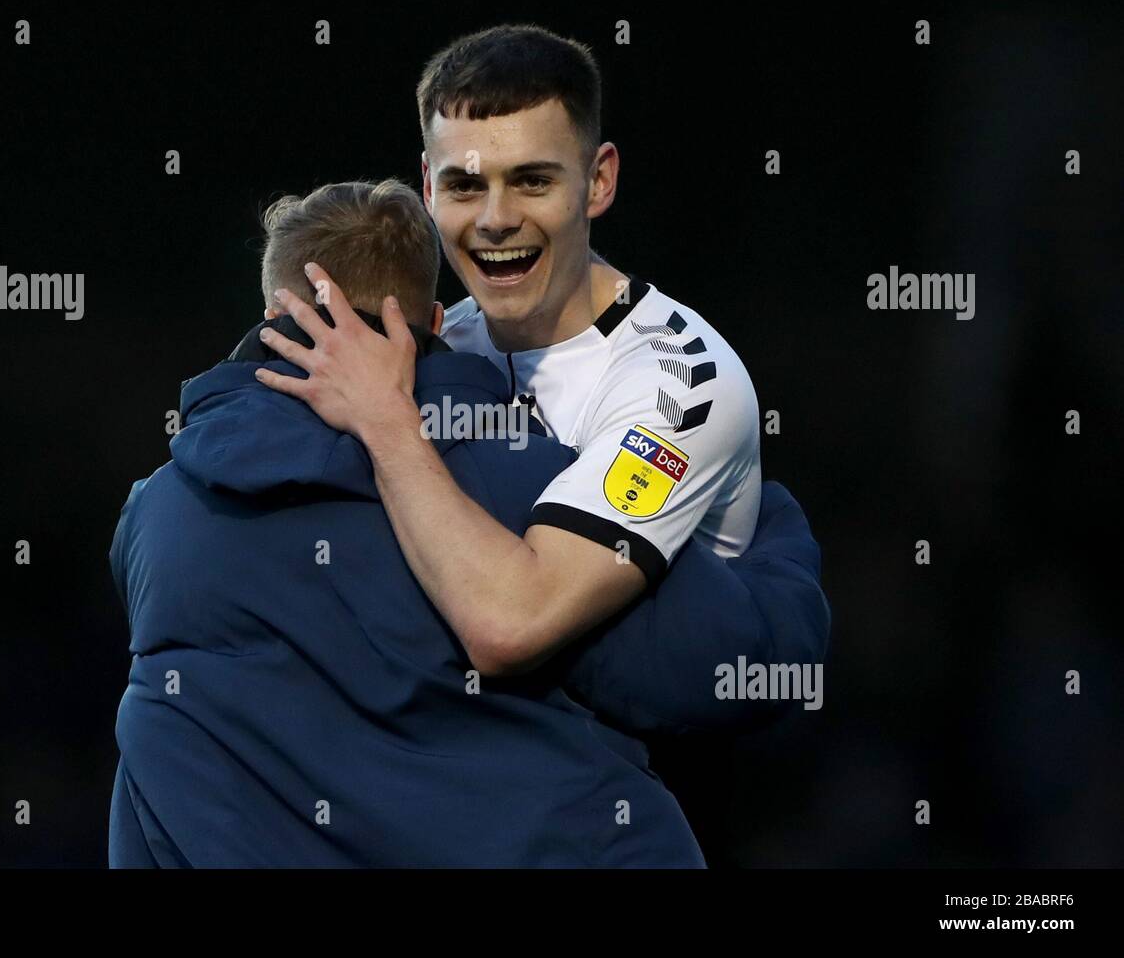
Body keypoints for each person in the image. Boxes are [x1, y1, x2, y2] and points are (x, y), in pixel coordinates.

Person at [109, 180, 829, 867]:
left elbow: (155, 773)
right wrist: (765, 522)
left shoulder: (159, 516)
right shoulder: (513, 483)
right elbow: (727, 670)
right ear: (433, 323)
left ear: (274, 312)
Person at [258, 24, 764, 678]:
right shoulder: (429, 343)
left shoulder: (687, 385)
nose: (496, 218)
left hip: (641, 771)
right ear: (429, 189)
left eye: (532, 181)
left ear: (598, 181)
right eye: (466, 186)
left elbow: (509, 627)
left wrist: (385, 422)